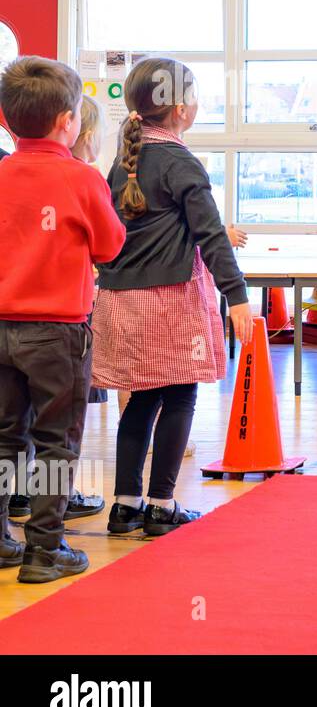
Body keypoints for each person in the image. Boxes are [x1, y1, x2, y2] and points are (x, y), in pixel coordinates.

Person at [93, 58, 252, 538]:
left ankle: (124, 506)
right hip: (170, 300)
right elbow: (211, 237)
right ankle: (161, 505)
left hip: (120, 302)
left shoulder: (123, 164)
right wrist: (238, 296)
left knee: (141, 399)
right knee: (180, 395)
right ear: (182, 109)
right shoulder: (181, 162)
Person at [0, 57, 126, 582]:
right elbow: (111, 246)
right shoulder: (81, 178)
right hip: (58, 331)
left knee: (5, 437)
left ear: (7, 122)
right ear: (67, 122)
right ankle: (45, 550)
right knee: (56, 441)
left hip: (0, 327)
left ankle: (2, 540)